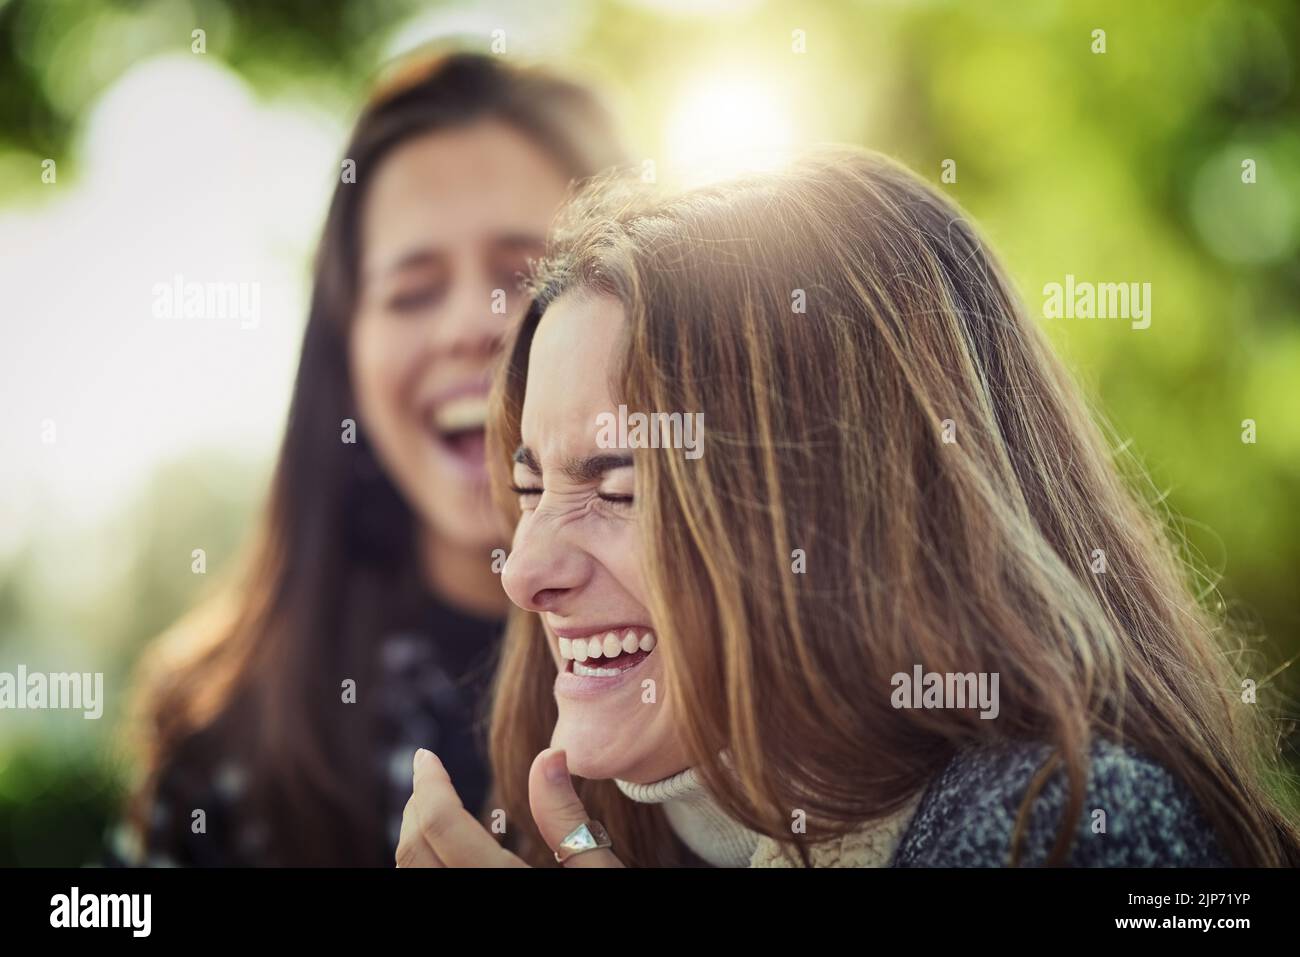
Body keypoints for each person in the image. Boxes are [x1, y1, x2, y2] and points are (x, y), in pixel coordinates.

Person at [396, 146, 1300, 867]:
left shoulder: (1068, 828)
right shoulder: (637, 836)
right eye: (530, 490)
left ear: (847, 513)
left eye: (620, 484)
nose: (524, 573)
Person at [111, 51, 625, 866]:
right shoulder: (229, 744)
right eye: (412, 290)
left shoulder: (768, 700)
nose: (469, 323)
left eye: (527, 273)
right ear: (345, 356)